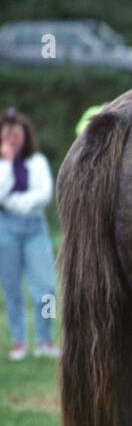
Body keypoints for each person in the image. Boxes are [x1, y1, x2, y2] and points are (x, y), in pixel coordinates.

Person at [0, 108, 59, 361]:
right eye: (7, 133)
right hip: (6, 230)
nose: (13, 137)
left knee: (47, 288)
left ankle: (46, 340)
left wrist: (16, 203)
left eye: (17, 132)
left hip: (36, 228)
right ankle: (19, 341)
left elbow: (44, 194)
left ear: (25, 134)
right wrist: (7, 161)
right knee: (12, 289)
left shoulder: (38, 161)